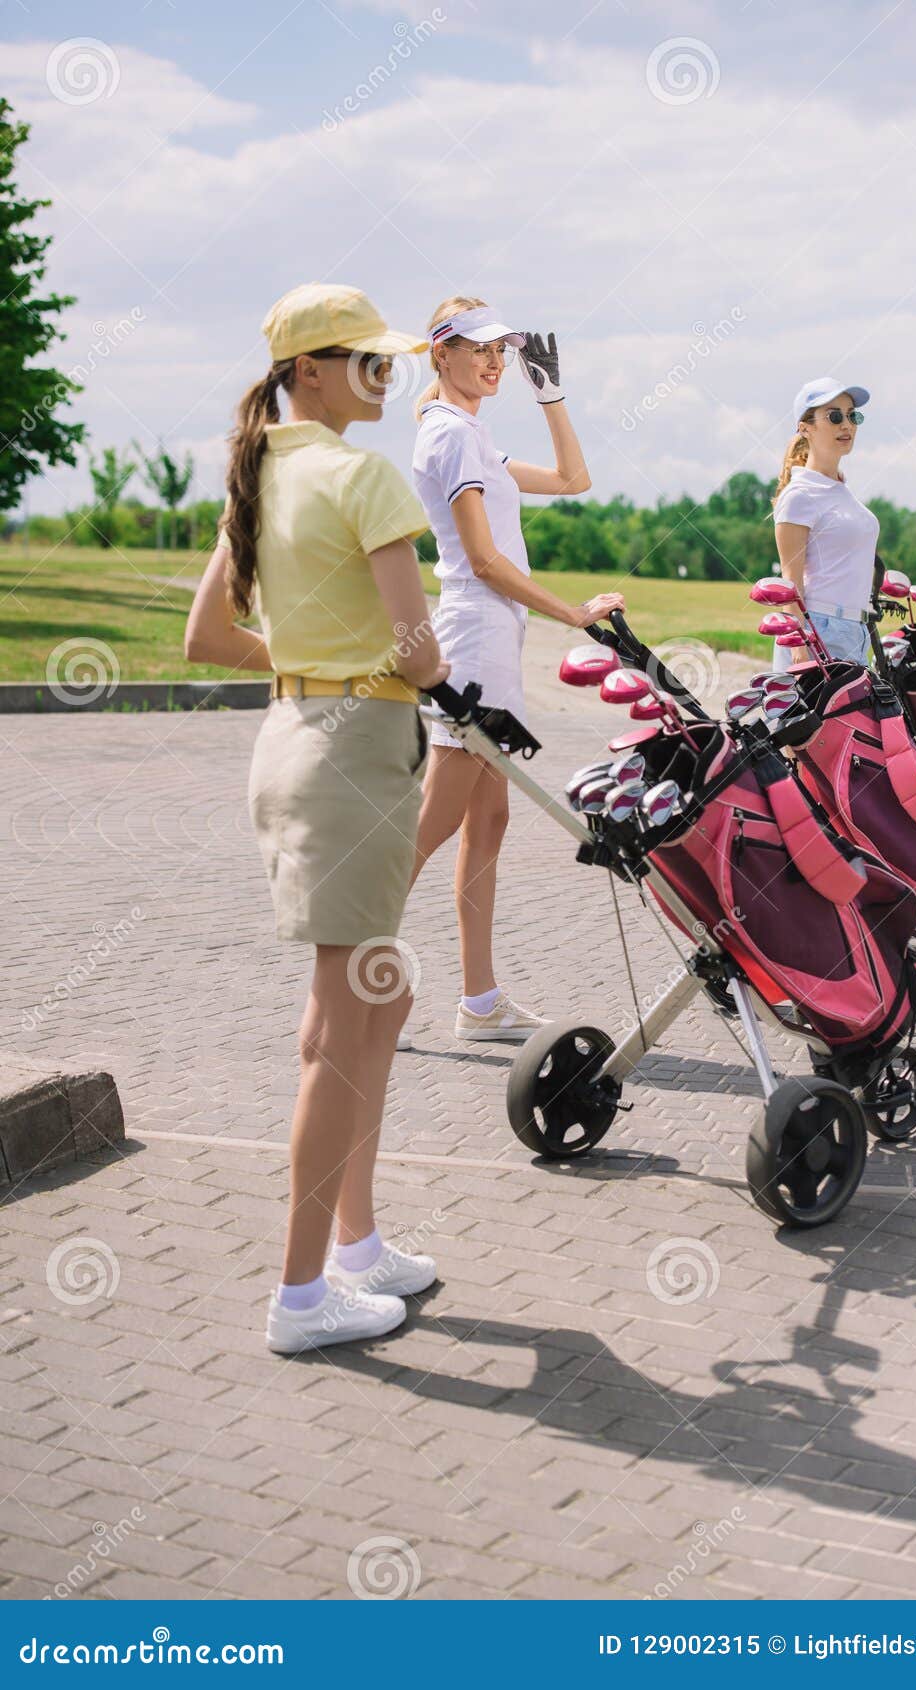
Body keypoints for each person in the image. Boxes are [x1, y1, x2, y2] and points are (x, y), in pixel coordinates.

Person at [185, 283, 449, 1355]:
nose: (385, 377)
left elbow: (210, 633)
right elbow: (421, 652)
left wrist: (312, 666)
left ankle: (358, 1244)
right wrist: (364, 671)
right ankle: (301, 1298)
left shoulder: (259, 474)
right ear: (310, 371)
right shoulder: (361, 475)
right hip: (353, 755)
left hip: (300, 745)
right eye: (367, 362)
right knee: (344, 1026)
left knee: (373, 1000)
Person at [408, 296, 624, 1043]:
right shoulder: (451, 437)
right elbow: (484, 561)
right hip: (472, 641)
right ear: (441, 354)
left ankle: (479, 1003)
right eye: (477, 348)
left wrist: (551, 394)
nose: (494, 360)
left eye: (501, 348)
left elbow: (573, 479)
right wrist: (573, 615)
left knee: (487, 820)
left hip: (490, 639)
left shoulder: (473, 436)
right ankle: (347, 987)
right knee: (428, 826)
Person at [770, 376, 879, 669]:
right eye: (834, 416)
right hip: (818, 632)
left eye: (852, 415)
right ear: (805, 428)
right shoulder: (799, 495)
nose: (846, 425)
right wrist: (799, 651)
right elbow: (790, 585)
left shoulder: (841, 492)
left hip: (855, 631)